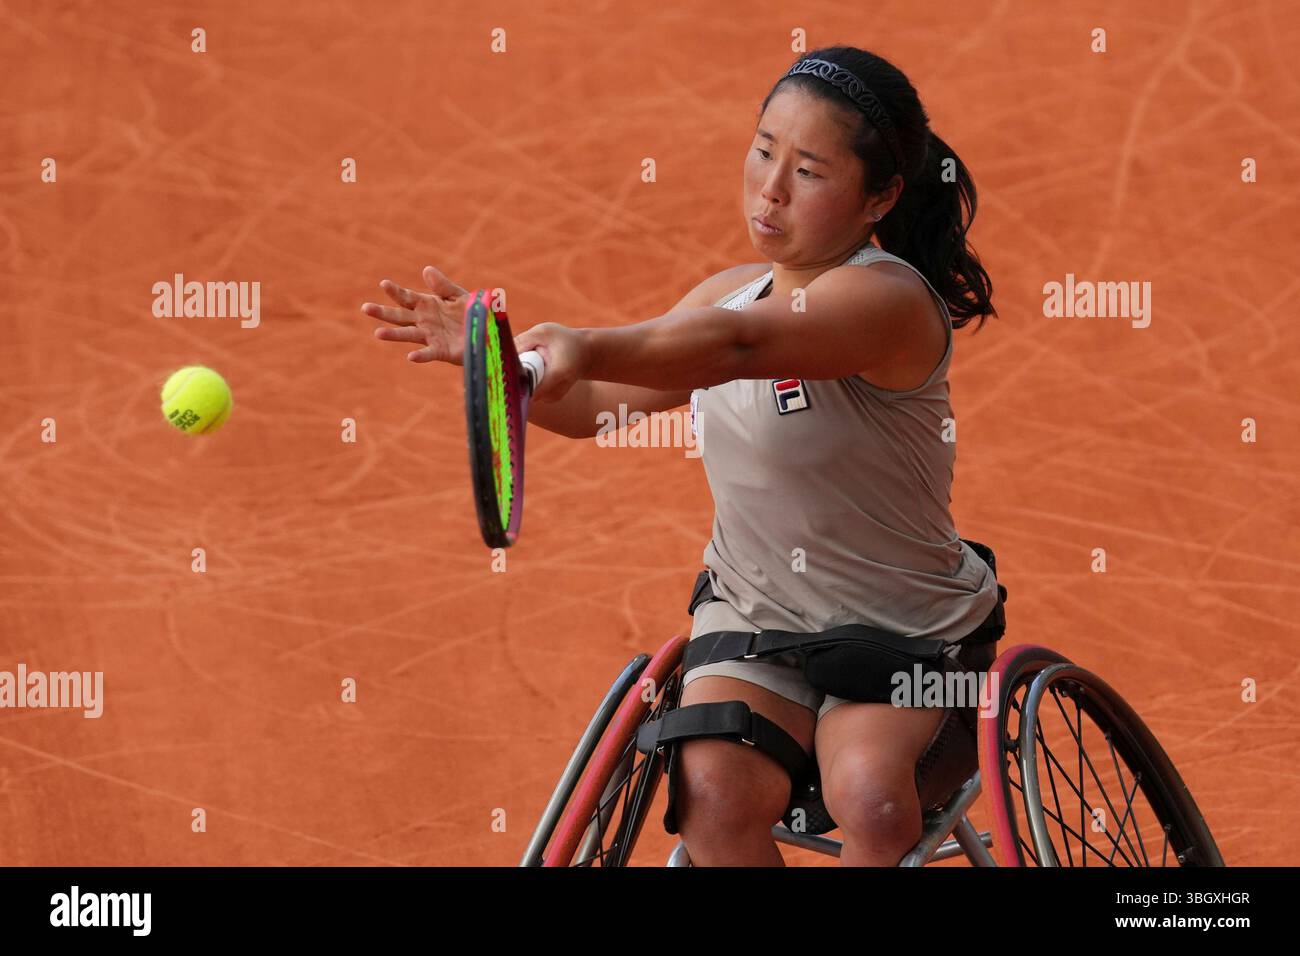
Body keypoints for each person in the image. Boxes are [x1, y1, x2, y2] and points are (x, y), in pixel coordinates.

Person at [360, 45, 999, 866]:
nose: (770, 188)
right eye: (764, 150)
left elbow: (735, 348)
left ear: (880, 196)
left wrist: (580, 344)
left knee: (870, 798)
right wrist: (511, 366)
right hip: (757, 619)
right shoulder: (724, 298)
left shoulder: (889, 302)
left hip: (909, 635)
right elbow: (591, 410)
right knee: (710, 799)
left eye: (808, 171)